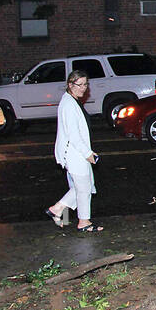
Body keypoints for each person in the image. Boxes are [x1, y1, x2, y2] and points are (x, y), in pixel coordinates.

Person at [46, 70, 103, 232]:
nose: (83, 88)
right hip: (73, 153)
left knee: (84, 186)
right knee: (84, 188)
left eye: (85, 84)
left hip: (76, 152)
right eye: (80, 85)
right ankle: (83, 222)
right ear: (70, 85)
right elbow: (73, 134)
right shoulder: (68, 104)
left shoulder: (72, 101)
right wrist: (87, 154)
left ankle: (57, 209)